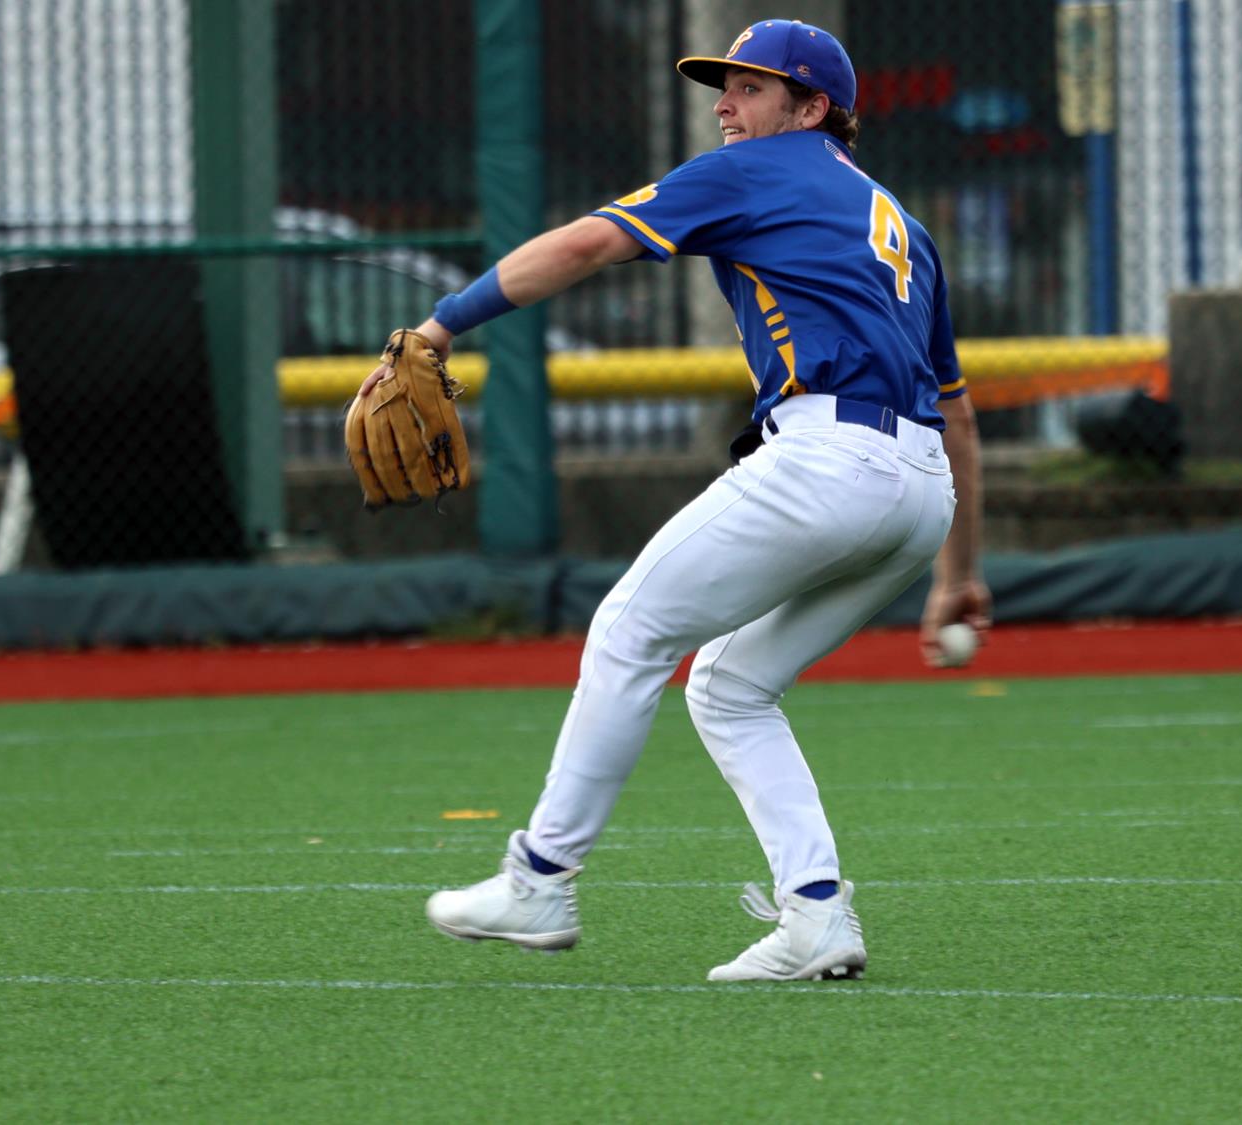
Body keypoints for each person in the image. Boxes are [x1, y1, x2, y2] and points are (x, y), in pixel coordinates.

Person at [376, 18, 990, 981]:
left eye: (748, 86)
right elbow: (956, 414)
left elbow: (582, 245)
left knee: (628, 630)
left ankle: (539, 875)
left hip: (827, 459)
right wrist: (957, 572)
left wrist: (442, 324)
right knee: (731, 686)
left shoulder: (756, 171)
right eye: (725, 85)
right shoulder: (900, 224)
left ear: (811, 108)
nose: (724, 103)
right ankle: (817, 915)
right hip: (919, 493)